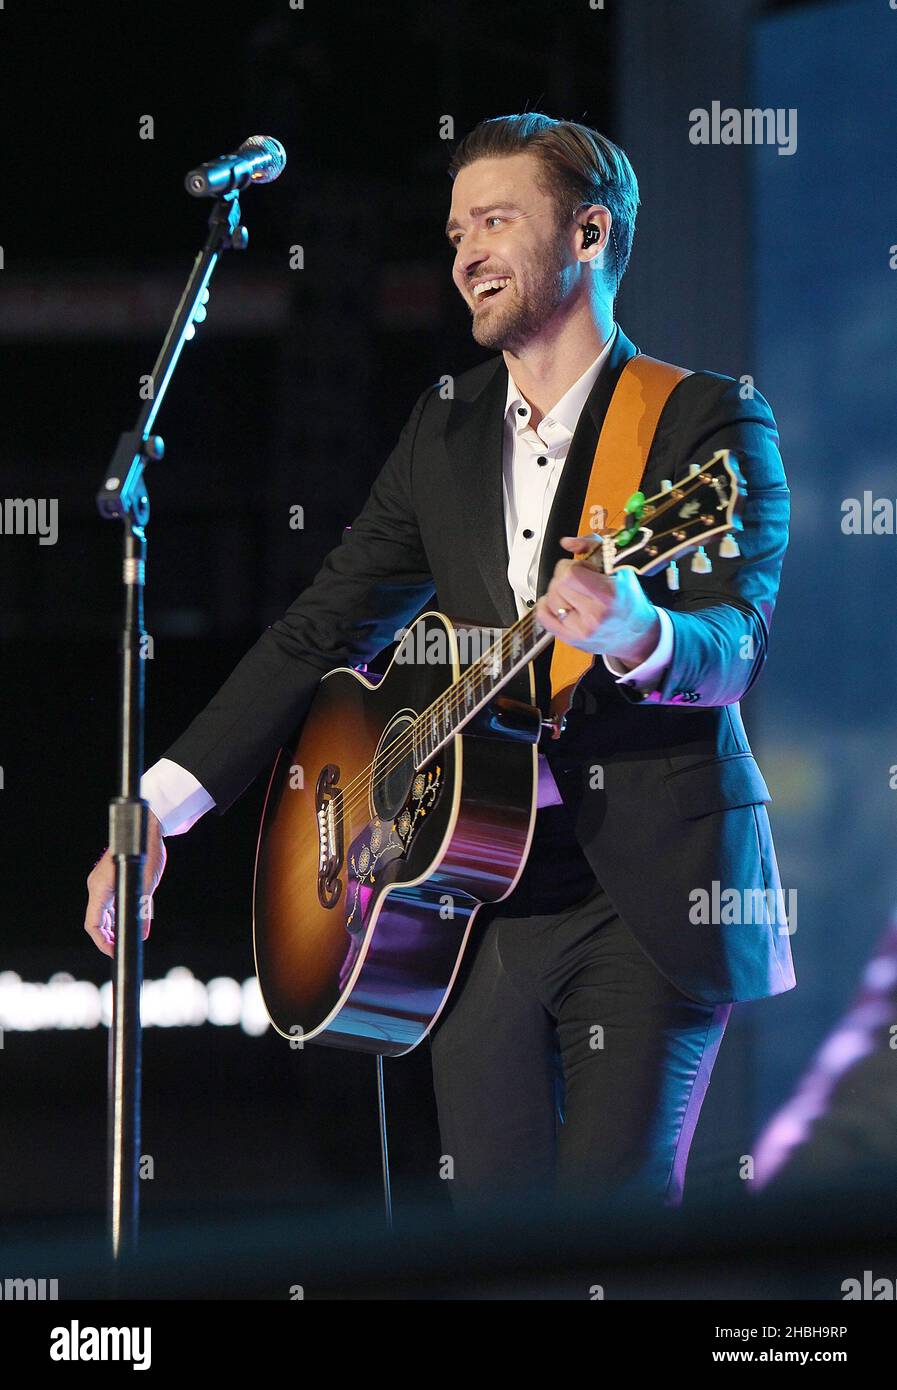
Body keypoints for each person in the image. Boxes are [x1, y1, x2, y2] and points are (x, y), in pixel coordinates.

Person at [85, 113, 795, 1209]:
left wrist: (637, 629)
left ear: (590, 233)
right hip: (473, 894)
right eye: (457, 227)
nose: (464, 252)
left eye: (497, 220)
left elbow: (734, 642)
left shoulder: (701, 418)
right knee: (497, 1245)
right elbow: (323, 627)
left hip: (649, 892)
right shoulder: (446, 426)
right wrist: (154, 811)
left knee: (609, 1240)